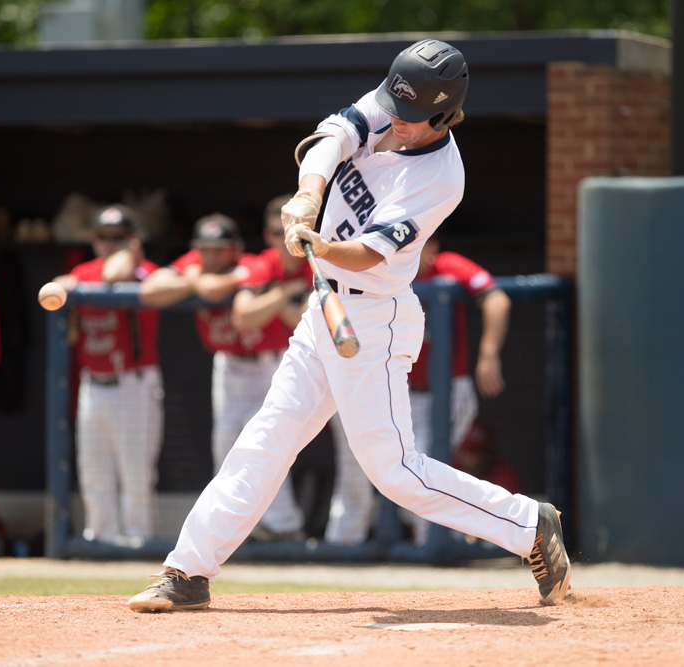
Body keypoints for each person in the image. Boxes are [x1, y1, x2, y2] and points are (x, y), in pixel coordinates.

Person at [128, 39, 570, 612]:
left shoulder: (440, 177)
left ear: (443, 116)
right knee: (268, 437)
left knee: (394, 472)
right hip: (326, 310)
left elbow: (366, 254)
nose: (397, 120)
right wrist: (306, 196)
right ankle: (188, 571)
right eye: (395, 106)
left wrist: (317, 244)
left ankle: (528, 523)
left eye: (411, 116)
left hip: (374, 317)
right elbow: (332, 138)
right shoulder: (392, 104)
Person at [139, 213, 304, 539]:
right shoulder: (196, 265)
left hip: (268, 363)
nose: (212, 256)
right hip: (229, 365)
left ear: (236, 248)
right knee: (226, 445)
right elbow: (149, 291)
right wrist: (193, 279)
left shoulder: (252, 264)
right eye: (205, 249)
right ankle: (228, 528)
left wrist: (199, 280)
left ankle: (284, 526)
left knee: (269, 444)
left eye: (219, 249)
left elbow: (213, 290)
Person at [233, 195, 359, 544]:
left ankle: (347, 539)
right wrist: (284, 293)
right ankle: (279, 526)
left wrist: (273, 302)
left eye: (296, 229)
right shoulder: (263, 265)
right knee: (267, 444)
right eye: (278, 232)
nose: (286, 238)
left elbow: (303, 319)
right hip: (295, 365)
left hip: (340, 364)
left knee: (357, 450)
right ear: (268, 235)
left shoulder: (325, 258)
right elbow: (243, 317)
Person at [51, 204, 163, 544]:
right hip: (94, 384)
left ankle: (138, 543)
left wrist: (129, 252)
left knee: (135, 476)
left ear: (132, 241)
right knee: (94, 473)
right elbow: (59, 289)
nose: (109, 244)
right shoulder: (84, 271)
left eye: (118, 237)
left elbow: (117, 275)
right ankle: (100, 542)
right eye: (103, 237)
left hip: (133, 383)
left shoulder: (145, 272)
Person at [403, 238, 513, 545]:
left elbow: (497, 299)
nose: (409, 251)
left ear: (432, 247)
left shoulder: (448, 265)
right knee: (409, 467)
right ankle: (447, 535)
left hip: (450, 388)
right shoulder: (389, 270)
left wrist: (489, 353)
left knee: (424, 461)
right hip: (405, 390)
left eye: (420, 244)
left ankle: (435, 541)